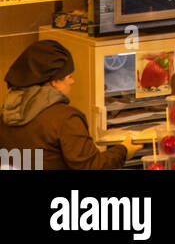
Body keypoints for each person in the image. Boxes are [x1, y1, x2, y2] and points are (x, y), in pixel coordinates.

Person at [0, 40, 134, 170]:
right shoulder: (65, 118)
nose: (73, 81)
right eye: (69, 76)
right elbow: (92, 166)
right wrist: (124, 150)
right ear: (54, 81)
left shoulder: (6, 112)